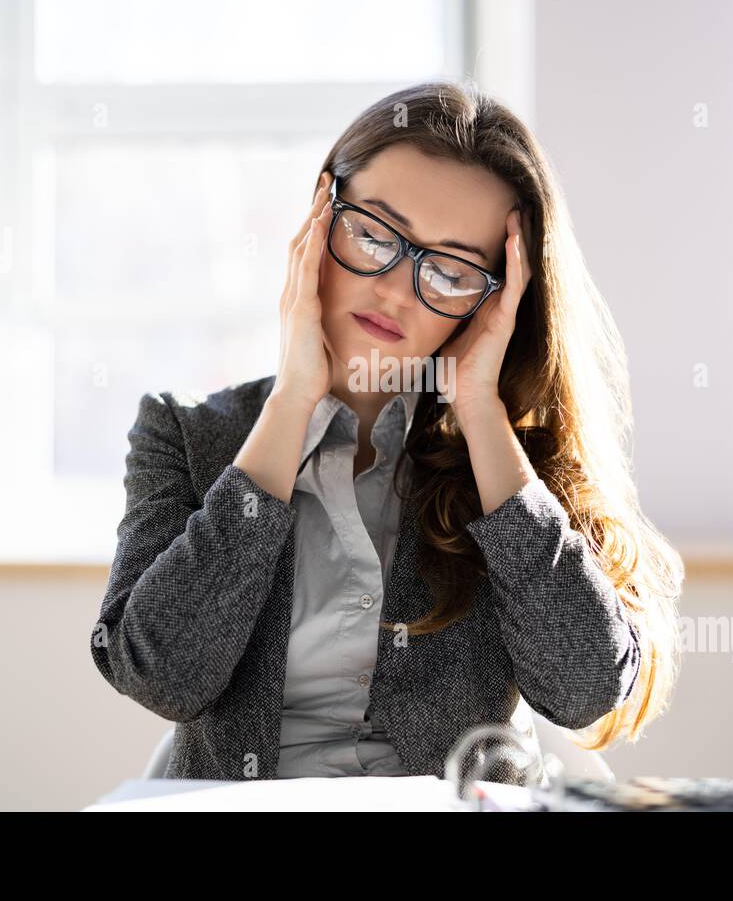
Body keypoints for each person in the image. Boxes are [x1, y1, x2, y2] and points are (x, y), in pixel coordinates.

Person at [90, 79, 684, 786]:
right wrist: (292, 404)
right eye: (372, 234)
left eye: (454, 270)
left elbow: (584, 691)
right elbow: (160, 675)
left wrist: (482, 414)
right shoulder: (185, 433)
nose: (398, 289)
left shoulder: (510, 461)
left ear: (498, 299)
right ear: (320, 214)